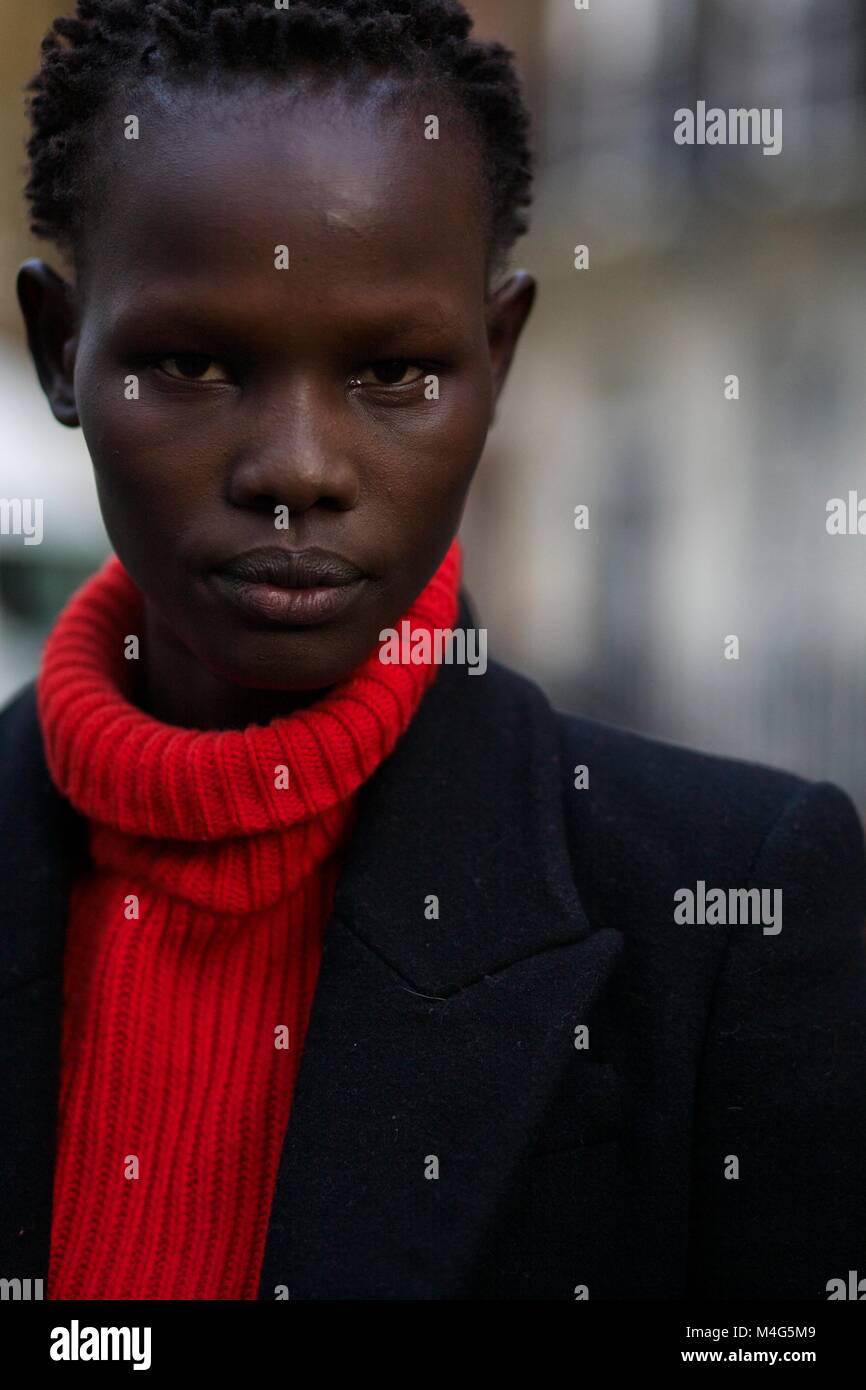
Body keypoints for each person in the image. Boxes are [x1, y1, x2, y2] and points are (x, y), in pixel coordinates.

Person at [1, 0, 864, 1302]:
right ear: (64, 348)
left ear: (497, 356)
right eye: (191, 362)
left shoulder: (732, 905)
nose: (296, 467)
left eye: (393, 373)